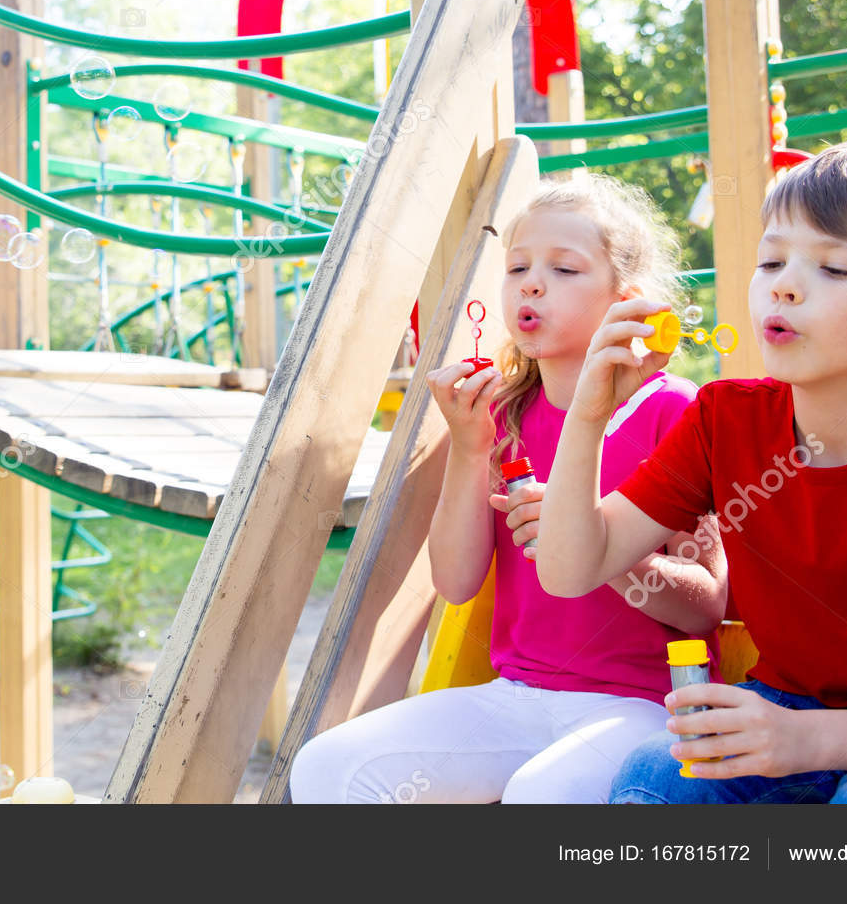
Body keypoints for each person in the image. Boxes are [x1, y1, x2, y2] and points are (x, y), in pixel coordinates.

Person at [535, 138, 847, 805]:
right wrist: (589, 412)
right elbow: (570, 566)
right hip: (779, 705)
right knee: (654, 776)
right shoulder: (724, 419)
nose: (783, 284)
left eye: (836, 269)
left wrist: (806, 738)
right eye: (771, 259)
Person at [288, 174, 727, 803]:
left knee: (538, 796)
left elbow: (704, 604)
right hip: (516, 698)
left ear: (624, 301)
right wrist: (469, 449)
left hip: (641, 706)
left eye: (565, 269)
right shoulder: (503, 417)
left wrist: (588, 543)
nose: (532, 282)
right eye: (517, 265)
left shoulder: (674, 412)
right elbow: (456, 582)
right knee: (328, 767)